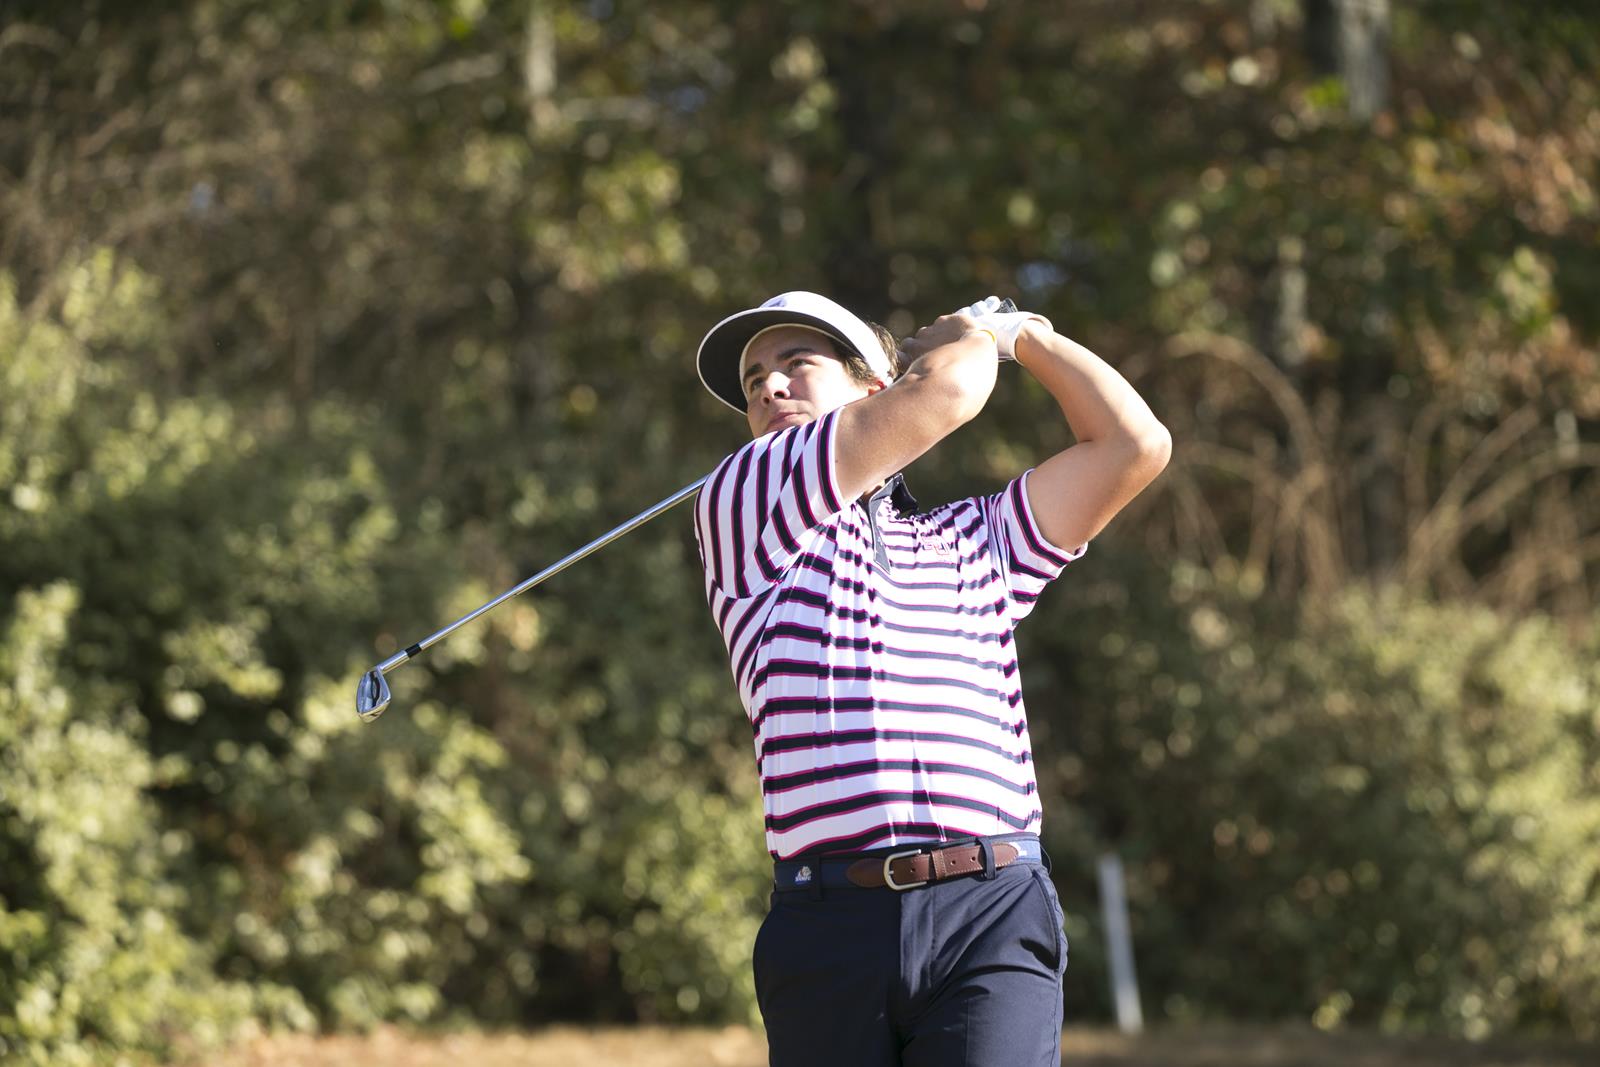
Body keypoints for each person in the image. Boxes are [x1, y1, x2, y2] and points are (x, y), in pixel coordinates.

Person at [690, 290, 1170, 1066]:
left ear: (872, 386)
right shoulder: (746, 502)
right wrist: (969, 336)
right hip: (827, 923)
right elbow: (949, 390)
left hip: (991, 903)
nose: (768, 387)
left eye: (795, 364)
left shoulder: (972, 538)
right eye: (753, 381)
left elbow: (1134, 444)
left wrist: (1026, 337)